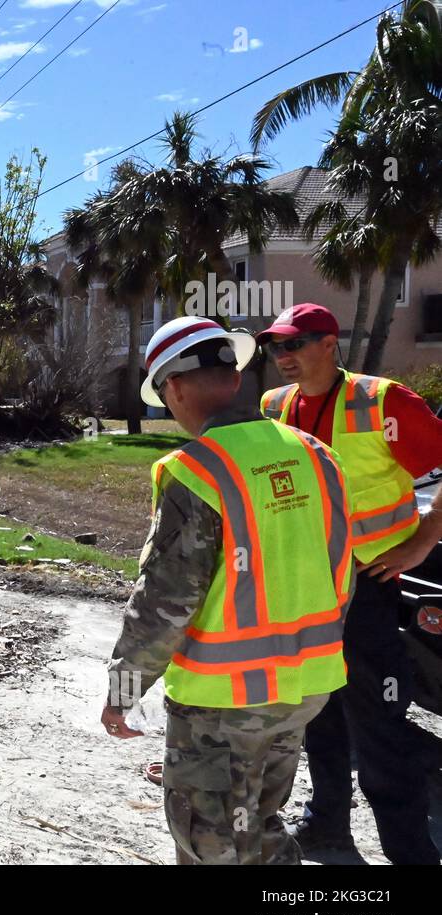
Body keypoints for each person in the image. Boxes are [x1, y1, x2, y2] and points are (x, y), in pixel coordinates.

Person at [103, 317, 353, 865]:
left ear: (173, 387)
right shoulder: (318, 455)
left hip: (222, 702)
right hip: (305, 688)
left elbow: (164, 603)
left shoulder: (196, 471)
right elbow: (339, 569)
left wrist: (123, 690)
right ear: (234, 379)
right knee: (260, 819)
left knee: (208, 840)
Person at [256, 302, 442, 865]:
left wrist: (424, 540)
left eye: (296, 344)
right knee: (320, 713)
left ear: (330, 343)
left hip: (370, 589)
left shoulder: (383, 401)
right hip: (309, 590)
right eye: (277, 346)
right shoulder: (275, 407)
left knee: (380, 730)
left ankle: (411, 854)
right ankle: (327, 825)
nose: (284, 356)